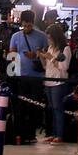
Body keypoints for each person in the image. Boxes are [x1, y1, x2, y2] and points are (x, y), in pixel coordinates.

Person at [8, 10, 49, 144]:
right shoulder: (15, 36)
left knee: (34, 105)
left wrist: (36, 54)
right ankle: (21, 132)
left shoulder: (42, 36)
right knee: (21, 106)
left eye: (29, 26)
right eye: (24, 25)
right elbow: (11, 54)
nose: (27, 28)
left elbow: (48, 53)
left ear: (33, 23)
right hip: (21, 75)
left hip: (36, 76)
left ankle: (31, 133)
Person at [39, 23, 71, 143]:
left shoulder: (65, 49)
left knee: (58, 108)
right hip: (48, 81)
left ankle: (59, 134)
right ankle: (53, 133)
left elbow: (64, 67)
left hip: (59, 82)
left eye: (49, 37)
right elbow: (45, 66)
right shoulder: (50, 48)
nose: (48, 40)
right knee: (52, 109)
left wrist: (51, 58)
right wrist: (42, 57)